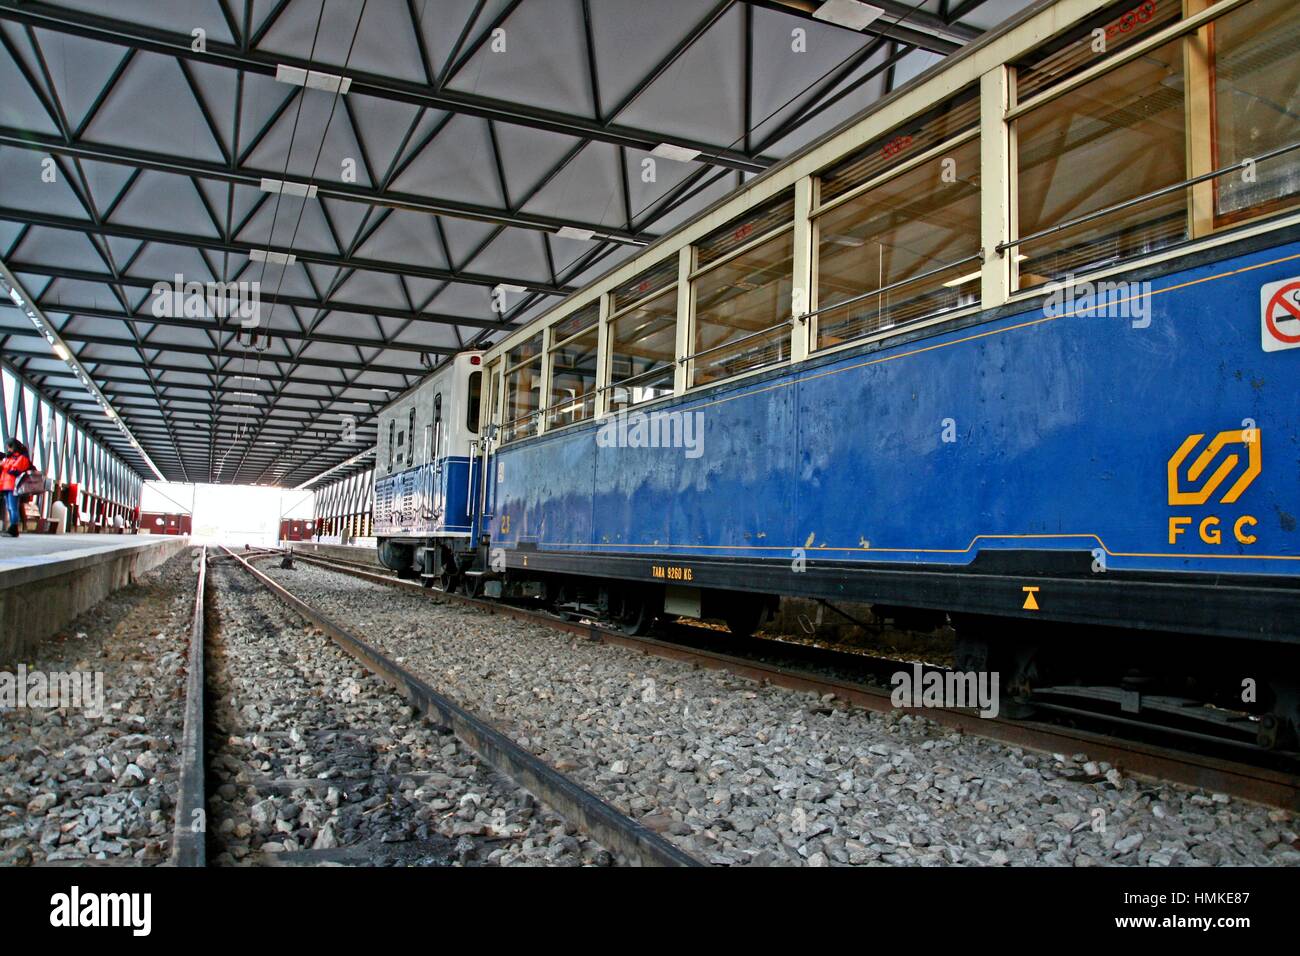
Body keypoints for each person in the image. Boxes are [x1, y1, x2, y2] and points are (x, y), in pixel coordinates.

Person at [0, 439, 32, 537]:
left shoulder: (21, 457)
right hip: (5, 485)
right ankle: (12, 528)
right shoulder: (10, 457)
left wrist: (6, 466)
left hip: (13, 485)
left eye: (9, 447)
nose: (8, 449)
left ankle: (14, 528)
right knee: (10, 507)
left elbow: (15, 470)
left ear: (13, 447)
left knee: (13, 507)